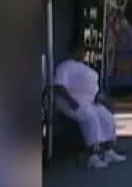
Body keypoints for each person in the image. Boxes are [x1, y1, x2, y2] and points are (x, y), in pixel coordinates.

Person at [54, 41, 127, 169]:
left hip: (90, 102)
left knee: (106, 116)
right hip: (72, 102)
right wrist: (71, 101)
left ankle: (108, 151)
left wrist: (99, 98)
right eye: (81, 51)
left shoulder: (83, 66)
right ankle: (93, 156)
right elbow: (59, 86)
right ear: (74, 51)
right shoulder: (65, 66)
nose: (83, 54)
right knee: (90, 118)